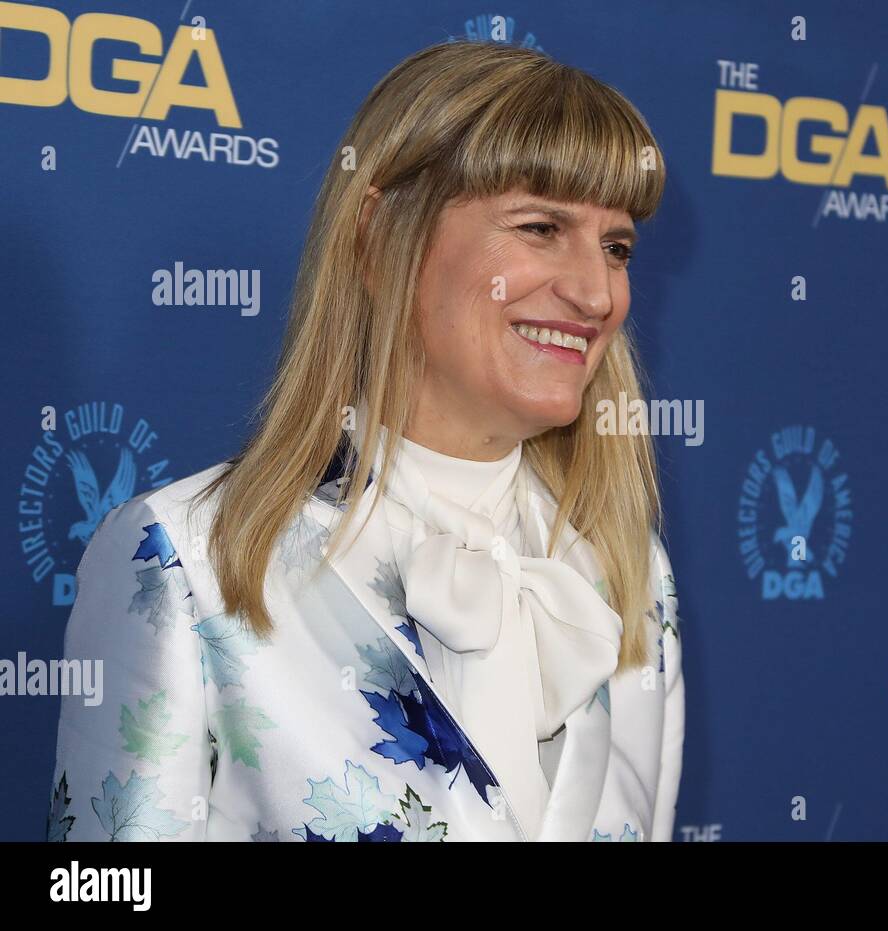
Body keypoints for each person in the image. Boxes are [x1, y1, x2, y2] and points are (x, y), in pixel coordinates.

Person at [47, 39, 683, 842]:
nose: (596, 291)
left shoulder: (630, 572)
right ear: (381, 237)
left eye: (616, 246)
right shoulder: (185, 563)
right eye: (541, 226)